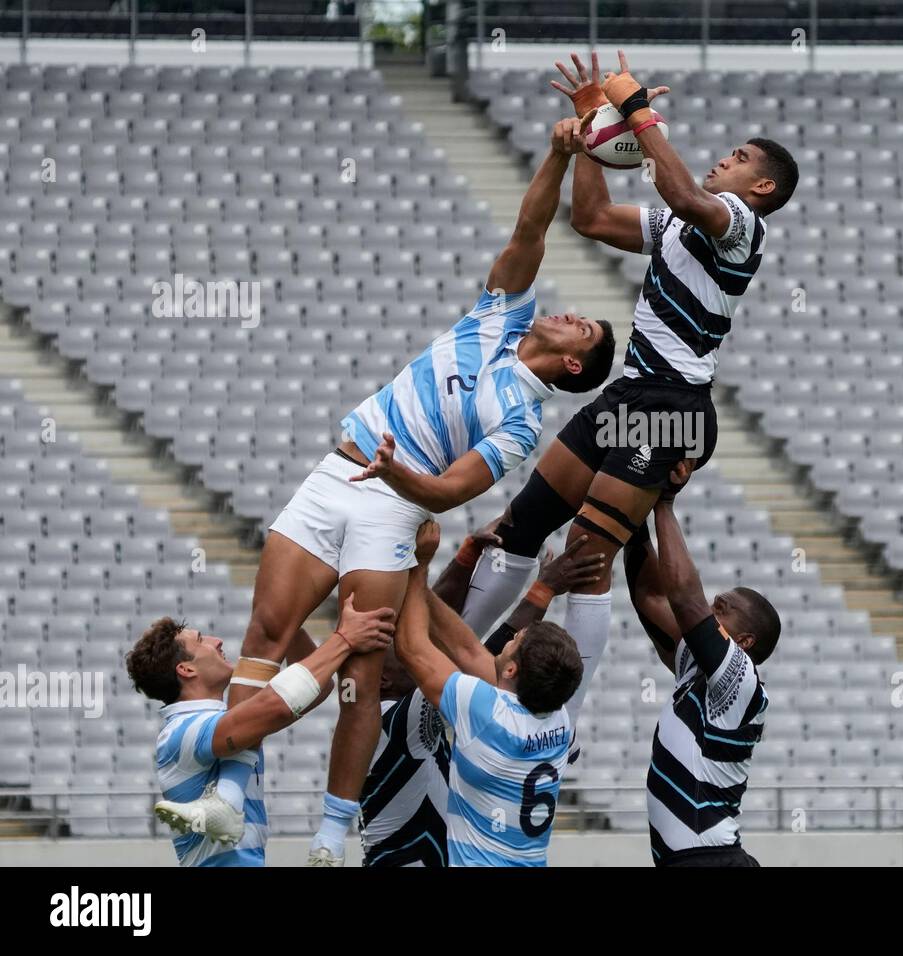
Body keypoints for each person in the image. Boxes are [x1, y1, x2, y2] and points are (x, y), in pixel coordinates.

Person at [231, 117, 615, 865]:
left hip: (388, 499)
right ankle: (233, 796)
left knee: (365, 676)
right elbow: (529, 228)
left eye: (585, 331)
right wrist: (560, 152)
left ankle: (331, 833)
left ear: (574, 367)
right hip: (335, 471)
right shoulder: (498, 317)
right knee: (266, 633)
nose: (569, 315)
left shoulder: (519, 420)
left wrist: (397, 477)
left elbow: (445, 491)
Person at [457, 50, 799, 743]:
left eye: (737, 158)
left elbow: (681, 195)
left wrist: (637, 111)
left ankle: (562, 730)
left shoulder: (738, 225)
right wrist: (590, 130)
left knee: (586, 554)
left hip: (672, 410)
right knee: (525, 523)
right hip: (630, 397)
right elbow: (590, 217)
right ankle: (460, 652)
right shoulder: (683, 222)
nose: (722, 161)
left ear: (759, 186)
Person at [358, 523, 602, 867]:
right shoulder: (556, 716)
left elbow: (433, 648)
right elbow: (468, 650)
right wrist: (424, 570)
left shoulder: (482, 711)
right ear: (381, 680)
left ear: (513, 671)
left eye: (515, 646)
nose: (508, 643)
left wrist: (419, 566)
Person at [124, 597, 396, 866]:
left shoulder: (216, 720)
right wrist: (344, 639)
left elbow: (317, 690)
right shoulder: (182, 731)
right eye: (201, 640)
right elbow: (277, 706)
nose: (216, 640)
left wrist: (287, 622)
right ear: (186, 669)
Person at [623, 463, 781, 865]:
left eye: (721, 610)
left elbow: (684, 599)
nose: (710, 612)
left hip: (710, 859)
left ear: (744, 642)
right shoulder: (697, 668)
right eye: (713, 606)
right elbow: (650, 597)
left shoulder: (742, 679)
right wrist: (628, 513)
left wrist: (664, 502)